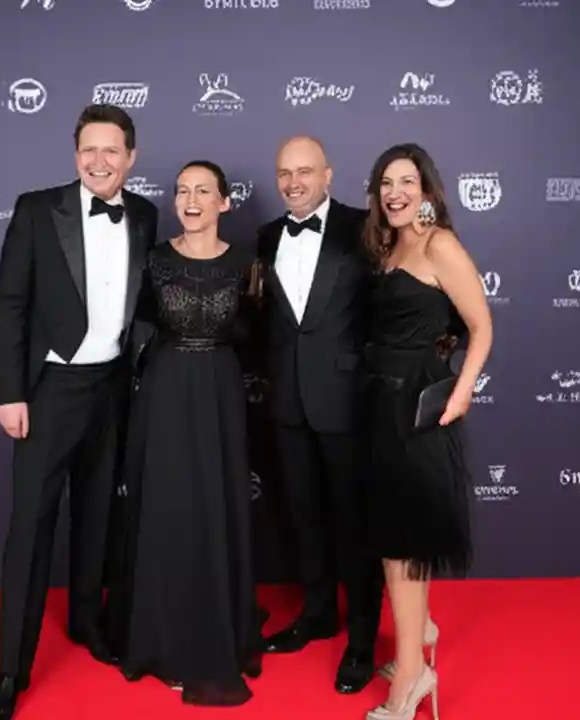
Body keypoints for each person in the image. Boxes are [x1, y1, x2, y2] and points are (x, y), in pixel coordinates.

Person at [0, 104, 159, 720]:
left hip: (112, 387)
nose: (99, 161)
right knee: (31, 526)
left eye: (112, 150)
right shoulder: (37, 210)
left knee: (98, 515)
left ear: (131, 158)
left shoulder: (144, 214)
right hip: (50, 388)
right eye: (89, 149)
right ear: (74, 153)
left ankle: (87, 623)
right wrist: (11, 393)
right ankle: (12, 669)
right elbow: (9, 306)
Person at [110, 160, 264, 706]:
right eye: (182, 191)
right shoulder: (152, 262)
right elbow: (133, 332)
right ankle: (162, 641)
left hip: (221, 394)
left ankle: (217, 632)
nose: (191, 199)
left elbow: (261, 338)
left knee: (215, 509)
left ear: (225, 202)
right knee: (167, 511)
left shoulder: (248, 265)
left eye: (204, 191)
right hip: (166, 391)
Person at [359, 143, 492, 720]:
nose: (395, 192)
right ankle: (417, 642)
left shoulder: (440, 245)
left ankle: (411, 676)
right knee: (396, 539)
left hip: (418, 409)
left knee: (403, 547)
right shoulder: (390, 244)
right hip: (381, 405)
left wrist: (462, 392)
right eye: (386, 182)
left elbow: (481, 326)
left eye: (406, 181)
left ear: (428, 190)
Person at [253, 135, 385, 693]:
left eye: (305, 171)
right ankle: (316, 614)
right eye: (285, 172)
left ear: (329, 174)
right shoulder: (265, 236)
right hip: (287, 401)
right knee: (303, 516)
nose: (294, 182)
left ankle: (360, 641)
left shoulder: (365, 228)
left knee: (354, 525)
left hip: (347, 401)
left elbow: (391, 305)